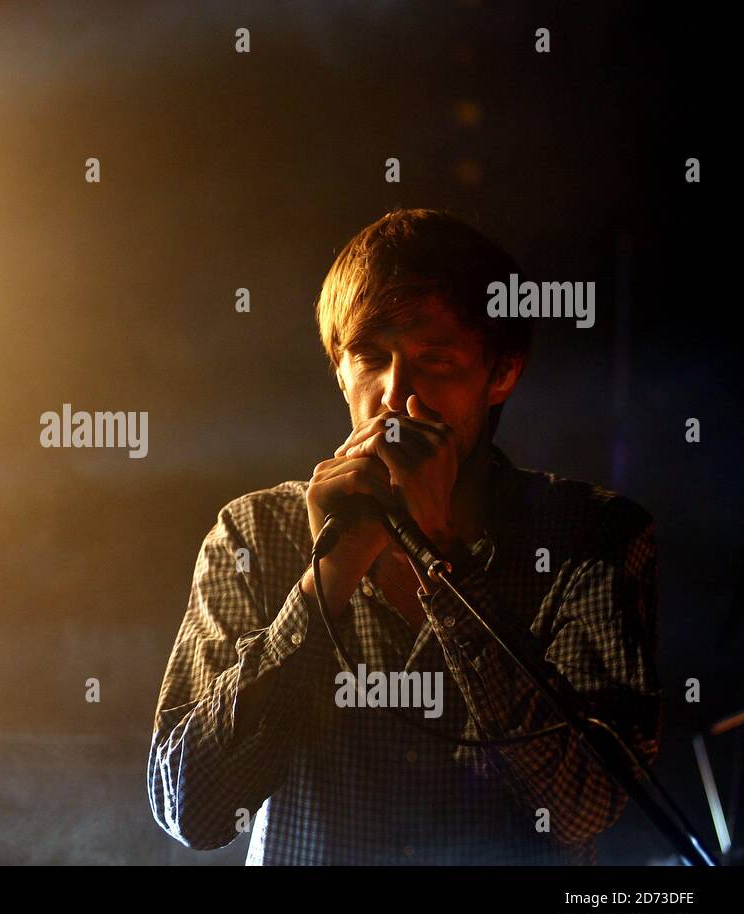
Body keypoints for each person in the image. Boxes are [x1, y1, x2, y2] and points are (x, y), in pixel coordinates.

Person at [146, 208, 661, 864]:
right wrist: (329, 574)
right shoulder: (253, 533)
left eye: (435, 359)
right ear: (339, 366)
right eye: (369, 357)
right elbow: (191, 810)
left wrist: (442, 558)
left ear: (501, 373)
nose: (396, 395)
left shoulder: (594, 536)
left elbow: (584, 805)